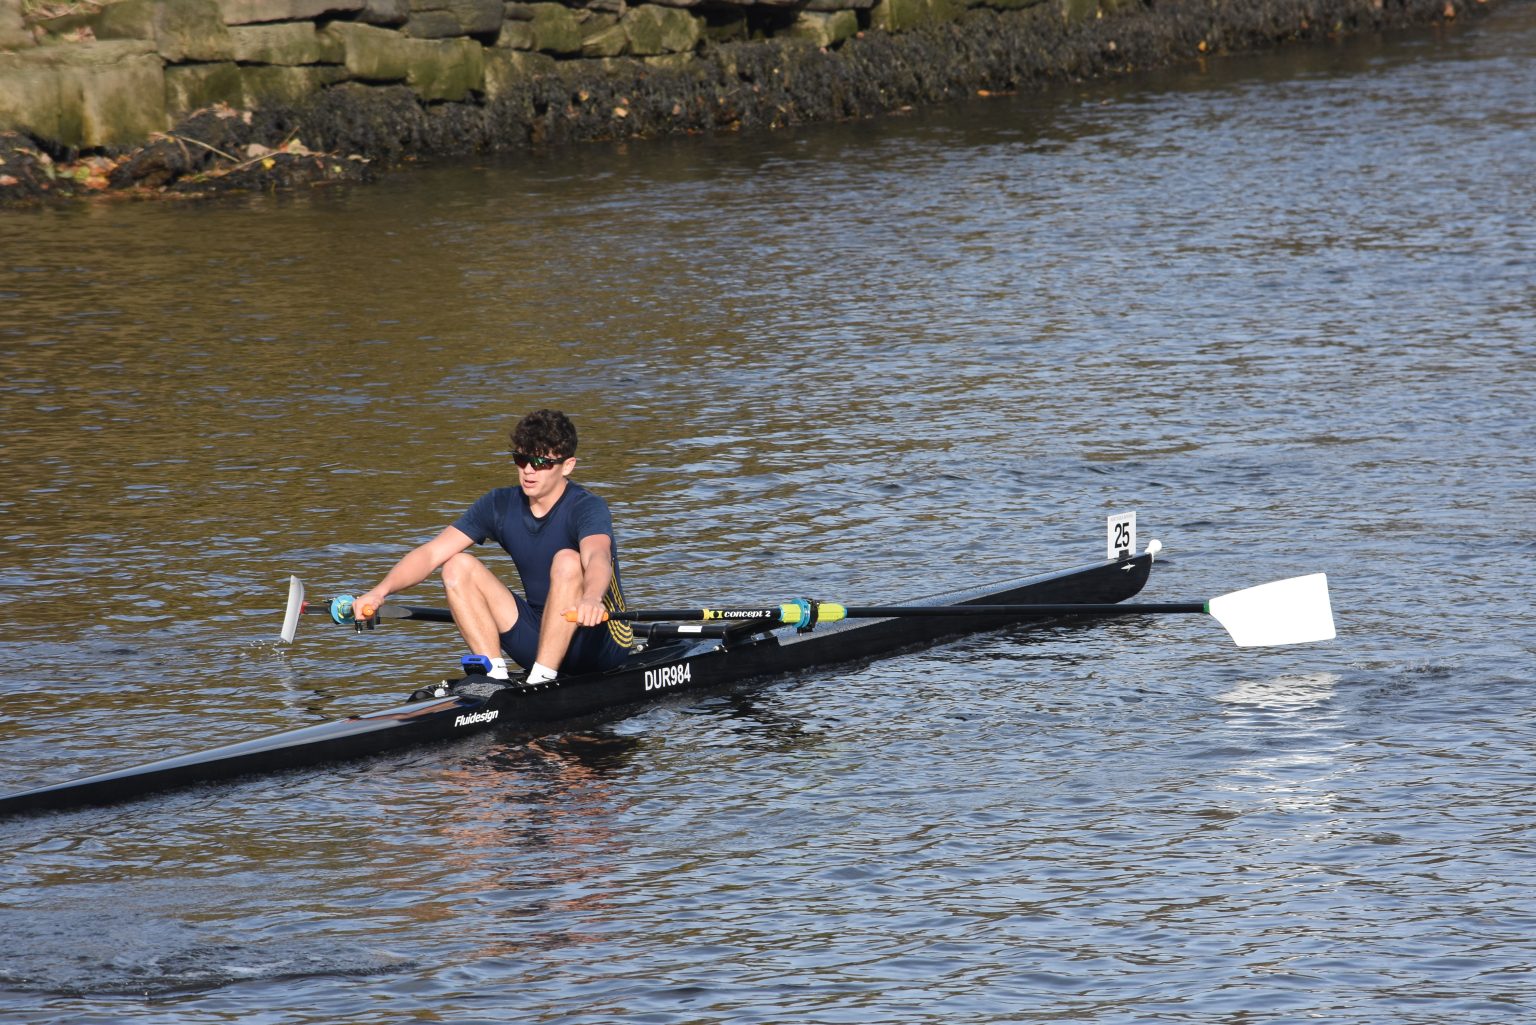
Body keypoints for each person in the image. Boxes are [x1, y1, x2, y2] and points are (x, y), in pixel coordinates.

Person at [353, 409, 633, 686]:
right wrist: (379, 592)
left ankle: (542, 679)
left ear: (568, 465)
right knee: (457, 564)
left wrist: (592, 599)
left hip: (598, 641)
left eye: (540, 462)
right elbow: (430, 554)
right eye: (521, 459)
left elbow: (598, 556)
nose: (528, 470)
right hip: (538, 639)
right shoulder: (499, 504)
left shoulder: (587, 507)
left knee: (568, 560)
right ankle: (494, 675)